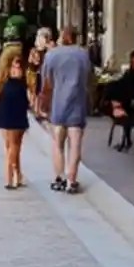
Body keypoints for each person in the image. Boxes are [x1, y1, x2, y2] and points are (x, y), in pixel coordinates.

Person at [40, 26, 92, 194]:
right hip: (77, 104)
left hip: (58, 105)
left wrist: (43, 105)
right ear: (76, 37)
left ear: (62, 37)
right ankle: (72, 180)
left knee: (58, 143)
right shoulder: (83, 55)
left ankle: (58, 178)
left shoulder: (52, 55)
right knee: (75, 144)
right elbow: (90, 79)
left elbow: (46, 83)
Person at [0, 55, 32, 189]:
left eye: (20, 66)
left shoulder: (9, 84)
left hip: (16, 115)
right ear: (9, 68)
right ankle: (10, 177)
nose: (18, 70)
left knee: (14, 146)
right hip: (10, 116)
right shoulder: (8, 84)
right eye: (15, 66)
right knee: (12, 146)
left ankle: (16, 174)